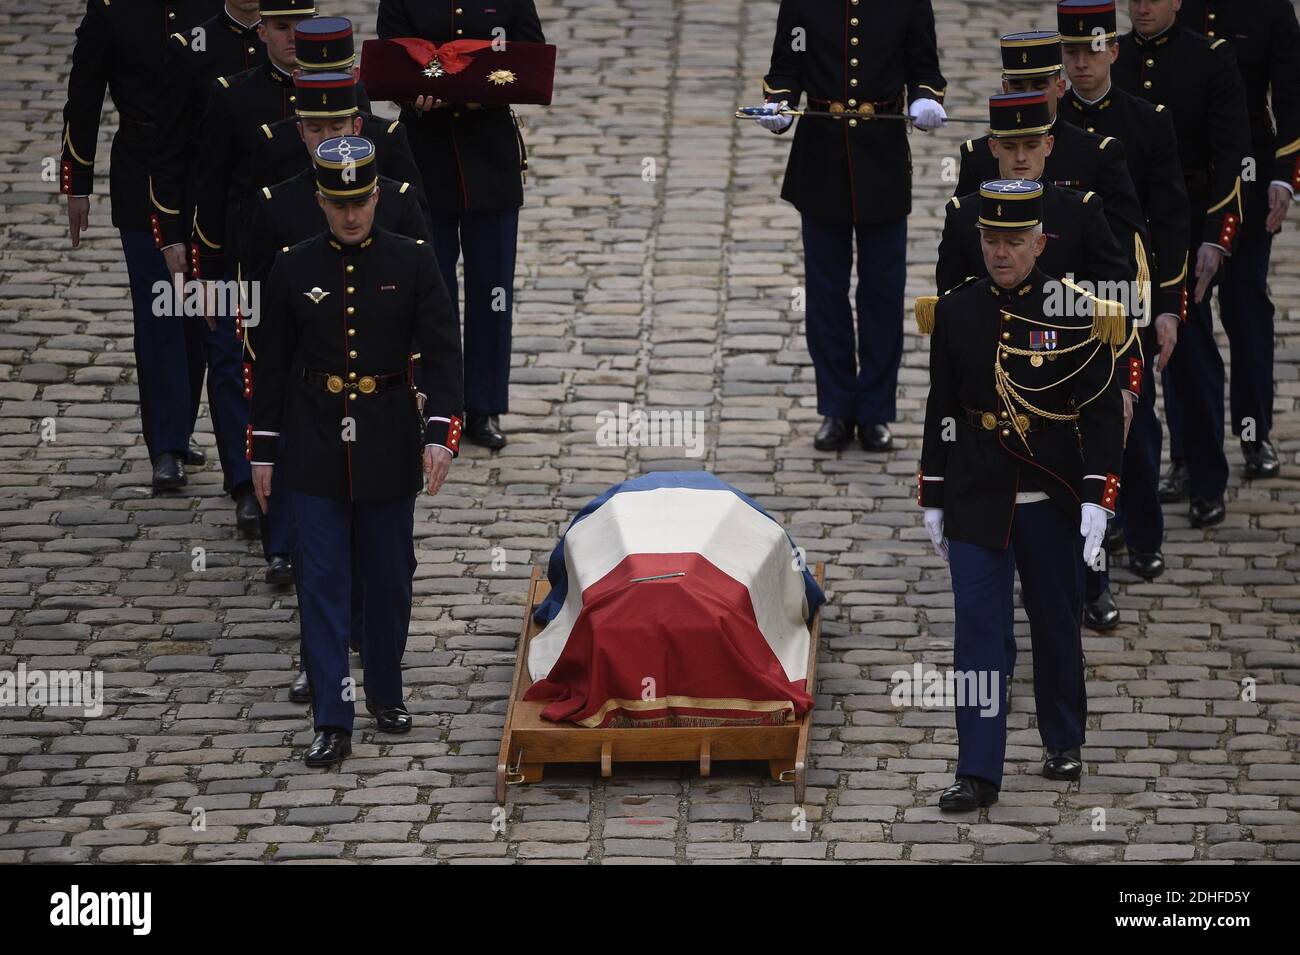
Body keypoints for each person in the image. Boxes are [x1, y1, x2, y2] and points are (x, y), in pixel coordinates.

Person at [249, 138, 464, 766]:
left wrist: (440, 434)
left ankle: (387, 692)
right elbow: (269, 363)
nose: (351, 215)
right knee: (321, 581)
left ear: (376, 196)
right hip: (314, 442)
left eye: (361, 201)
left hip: (388, 437)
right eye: (338, 203)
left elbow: (443, 354)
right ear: (320, 200)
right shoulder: (291, 267)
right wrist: (263, 450)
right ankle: (332, 717)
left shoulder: (415, 261)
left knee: (390, 576)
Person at [917, 180, 1125, 811]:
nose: (999, 253)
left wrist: (1098, 495)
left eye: (1012, 241)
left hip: (1053, 491)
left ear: (1039, 243)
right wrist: (933, 490)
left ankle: (1063, 737)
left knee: (1056, 626)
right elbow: (942, 407)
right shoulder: (957, 311)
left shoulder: (1074, 308)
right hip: (979, 491)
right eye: (989, 240)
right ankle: (977, 769)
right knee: (978, 634)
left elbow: (1098, 410)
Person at [755, 0, 947, 453]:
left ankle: (876, 411)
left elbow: (925, 66)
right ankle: (836, 407)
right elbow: (786, 66)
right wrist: (779, 105)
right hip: (820, 160)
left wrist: (923, 98)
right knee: (826, 294)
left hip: (881, 160)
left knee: (882, 291)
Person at [1057, 0, 1192, 628]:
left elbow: (1167, 219)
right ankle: (1091, 532)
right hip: (1060, 292)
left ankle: (1142, 530)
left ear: (1114, 50)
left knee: (1135, 422)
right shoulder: (1047, 128)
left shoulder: (1146, 124)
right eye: (1071, 53)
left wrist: (1166, 305)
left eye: (1091, 50)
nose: (1081, 64)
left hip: (1128, 292)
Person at [60, 0, 219, 492]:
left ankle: (182, 423)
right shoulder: (114, 9)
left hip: (207, 172)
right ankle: (166, 445)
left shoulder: (214, 7)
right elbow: (84, 91)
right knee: (159, 310)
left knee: (199, 311)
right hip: (141, 170)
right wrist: (76, 181)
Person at [376, 0, 546, 450]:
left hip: (489, 158)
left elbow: (530, 58)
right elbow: (389, 58)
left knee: (493, 291)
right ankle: (438, 403)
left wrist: (486, 85)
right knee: (432, 292)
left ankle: (485, 405)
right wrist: (409, 94)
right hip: (424, 156)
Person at [1115, 0, 1251, 528]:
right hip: (1124, 233)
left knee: (1190, 354)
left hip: (1187, 227)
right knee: (1133, 356)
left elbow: (1232, 154)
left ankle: (1206, 475)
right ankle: (1165, 469)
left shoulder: (1210, 59)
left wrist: (1216, 240)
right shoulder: (1114, 58)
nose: (1143, 6)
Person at [151, 0, 268, 532]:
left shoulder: (305, 45)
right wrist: (171, 233)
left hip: (291, 240)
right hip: (215, 239)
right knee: (226, 356)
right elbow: (169, 150)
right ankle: (242, 481)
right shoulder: (190, 47)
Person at [1176, 0, 1299, 481]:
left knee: (1245, 305)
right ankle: (1188, 452)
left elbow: (1292, 96)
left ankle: (1254, 433)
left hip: (1249, 173)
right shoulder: (1173, 6)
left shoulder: (1269, 9)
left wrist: (1285, 177)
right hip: (1186, 178)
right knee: (1183, 313)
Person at [953, 29, 1148, 262]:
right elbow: (964, 236)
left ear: (1060, 88)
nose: (1028, 97)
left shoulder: (1097, 154)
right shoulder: (979, 156)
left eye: (1038, 86)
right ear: (1005, 90)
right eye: (1017, 87)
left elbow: (1124, 250)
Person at [247, 17, 429, 224]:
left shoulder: (386, 139)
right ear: (297, 77)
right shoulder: (275, 142)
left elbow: (413, 223)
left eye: (336, 74)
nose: (327, 85)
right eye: (315, 77)